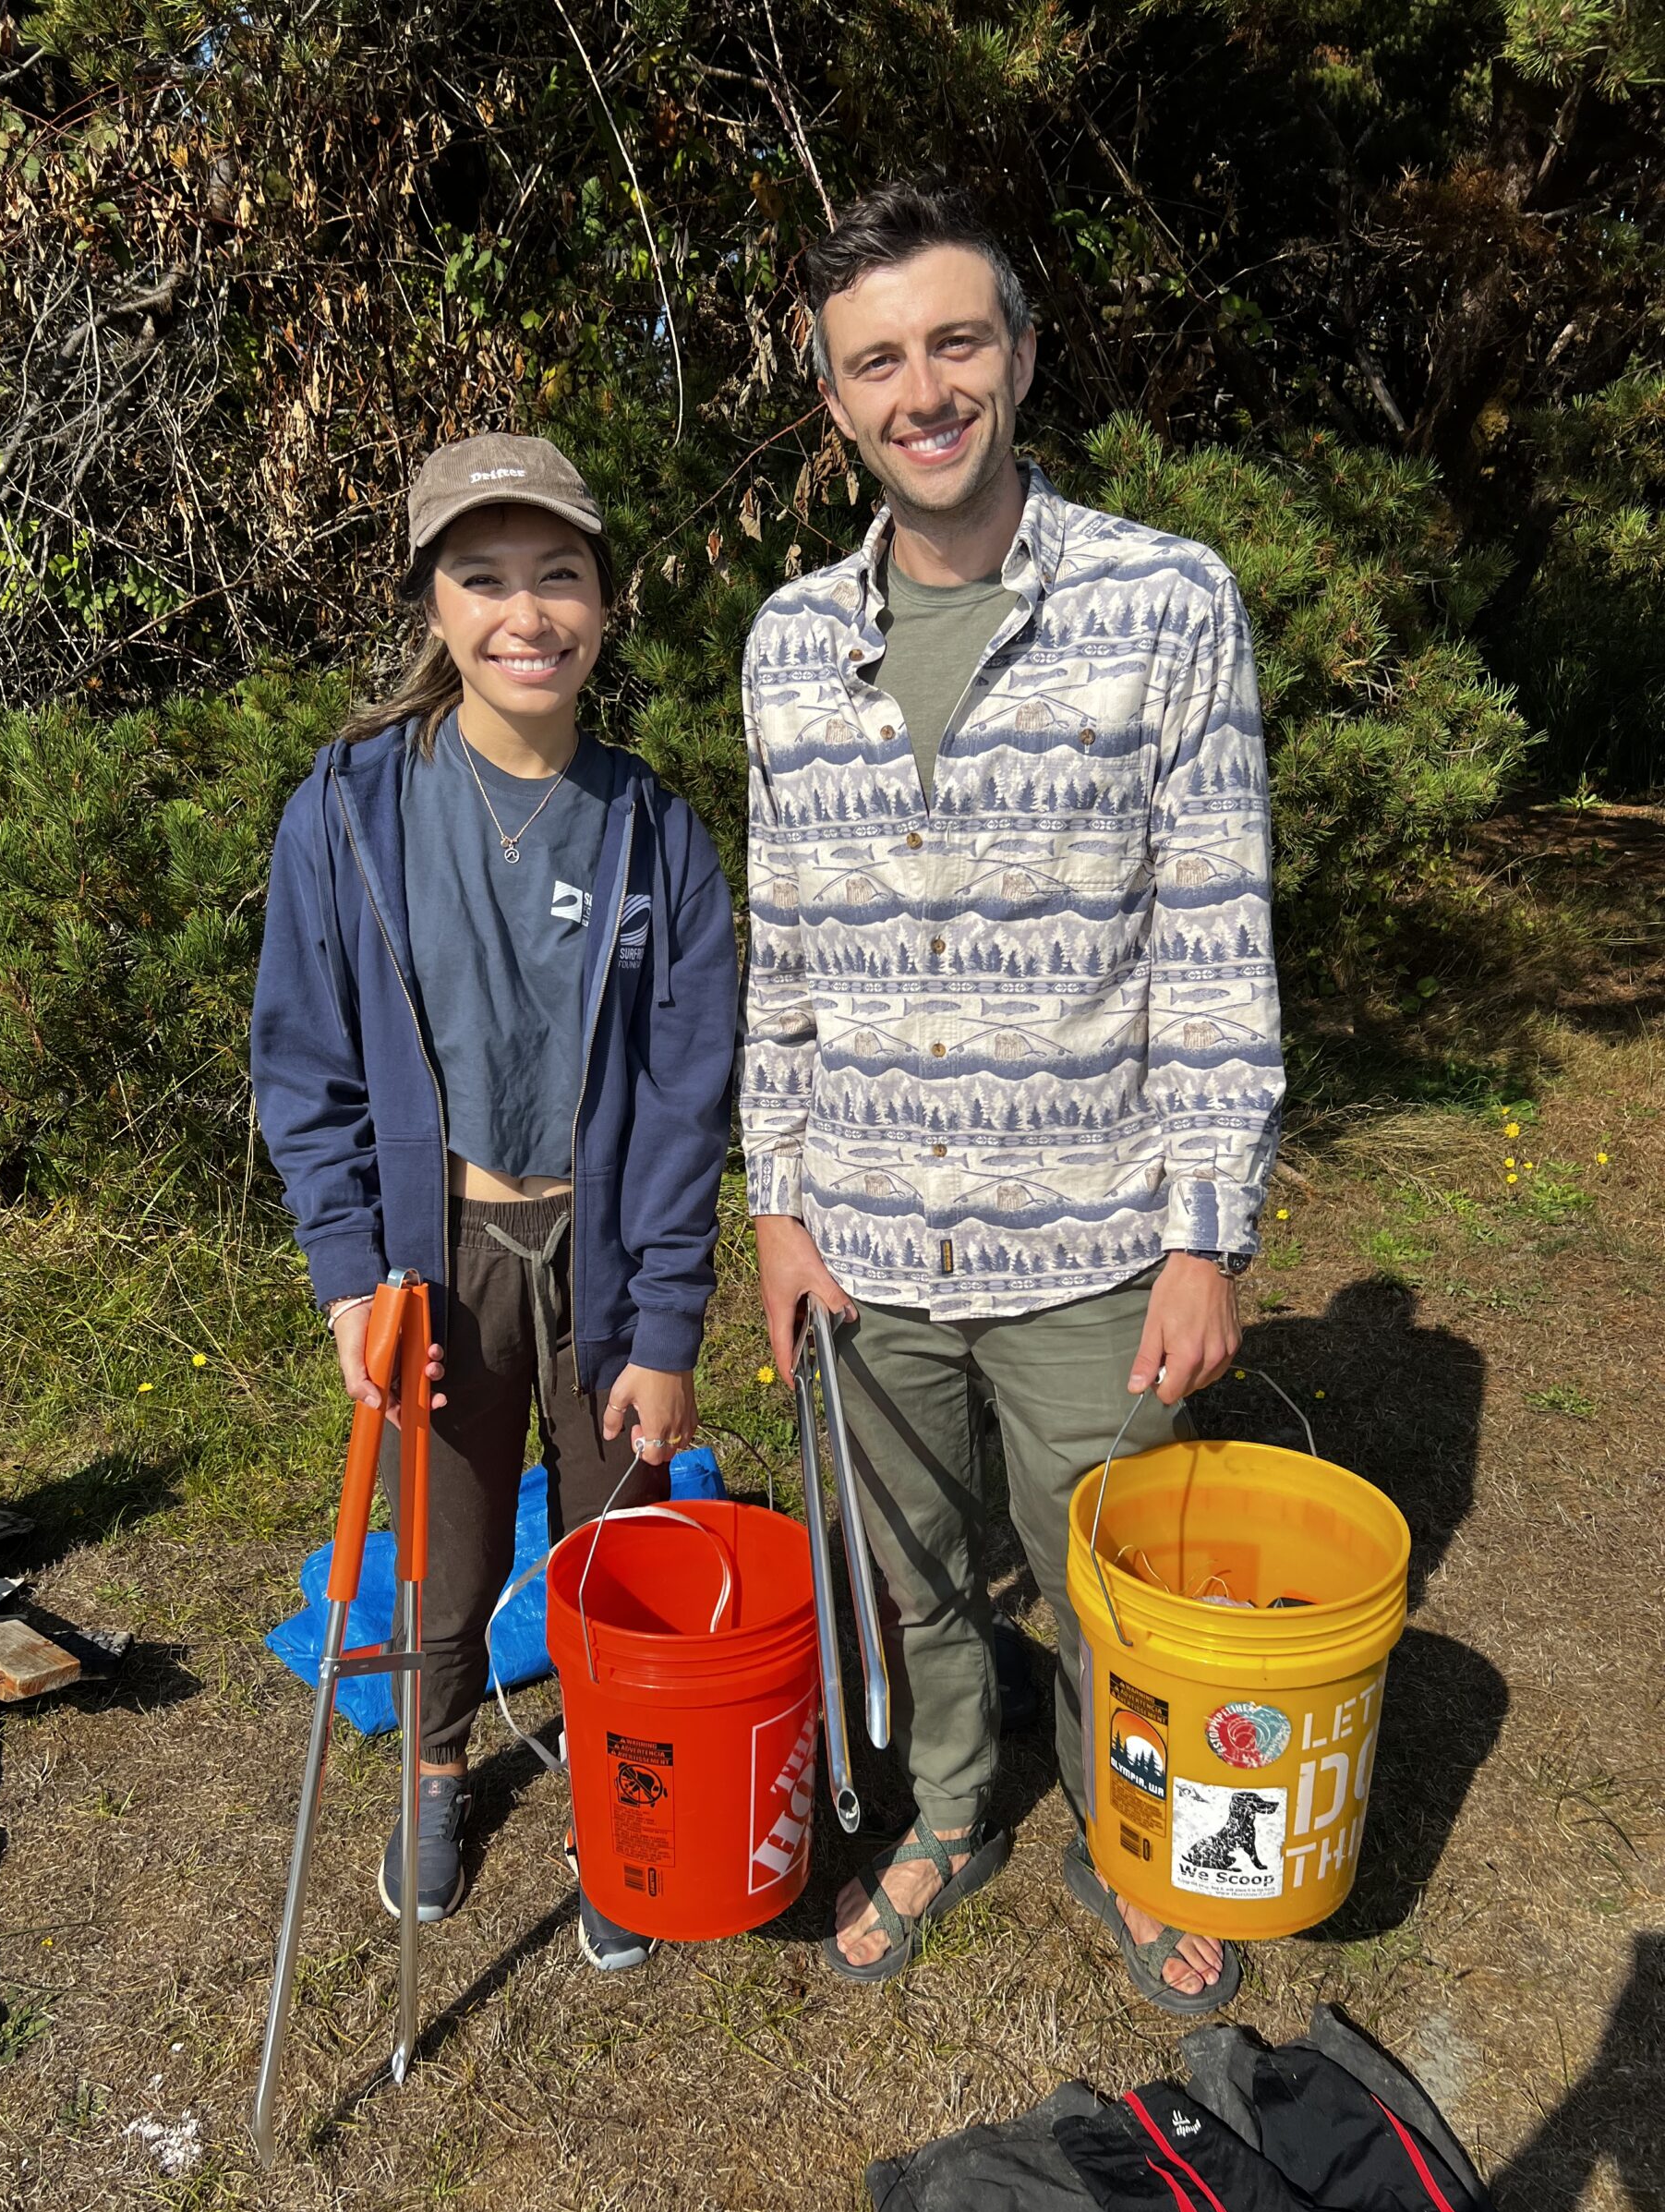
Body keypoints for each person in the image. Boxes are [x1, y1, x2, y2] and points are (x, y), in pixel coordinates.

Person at [740, 185, 1285, 2008]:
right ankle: (957, 1803)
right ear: (833, 400)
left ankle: (1139, 1839)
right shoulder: (786, 647)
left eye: (956, 341)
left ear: (1023, 355)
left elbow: (1215, 941)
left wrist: (1205, 1229)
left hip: (1092, 1232)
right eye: (878, 359)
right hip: (875, 1226)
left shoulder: (1166, 603)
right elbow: (782, 955)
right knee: (909, 1567)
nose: (925, 388)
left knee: (1120, 1574)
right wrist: (782, 1204)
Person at [252, 432, 737, 1969]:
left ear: (604, 602)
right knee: (443, 1549)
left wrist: (663, 1318)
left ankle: (615, 1801)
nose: (525, 614)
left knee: (616, 1546)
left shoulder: (655, 829)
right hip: (435, 1255)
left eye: (559, 576)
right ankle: (442, 1770)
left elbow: (684, 1096)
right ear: (432, 605)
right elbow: (306, 1062)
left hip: (599, 1254)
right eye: (483, 578)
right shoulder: (349, 812)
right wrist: (351, 1276)